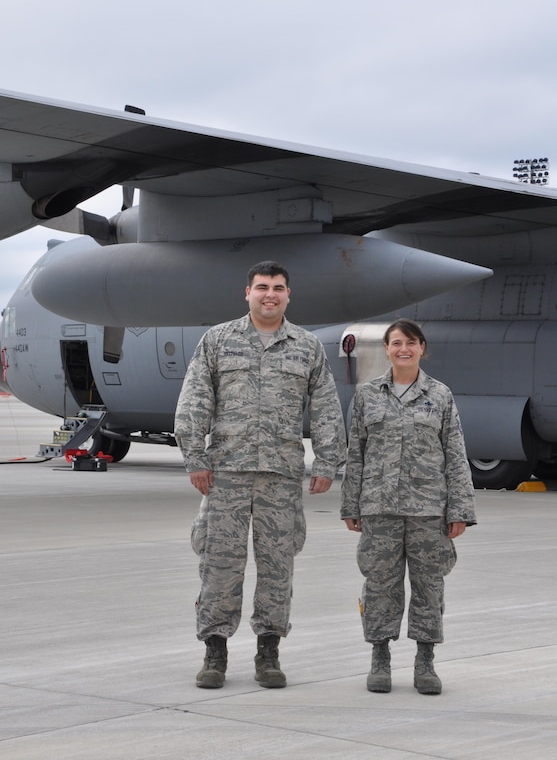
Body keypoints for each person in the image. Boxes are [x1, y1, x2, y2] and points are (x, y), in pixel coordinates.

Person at [175, 260, 346, 690]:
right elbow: (195, 399)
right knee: (219, 565)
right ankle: (215, 651)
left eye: (278, 288)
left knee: (277, 567)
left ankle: (268, 652)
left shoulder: (307, 346)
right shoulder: (218, 340)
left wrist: (327, 462)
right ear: (247, 292)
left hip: (280, 475)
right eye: (263, 287)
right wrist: (195, 457)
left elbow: (326, 407)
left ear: (288, 295)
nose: (270, 294)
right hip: (226, 473)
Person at [340, 318, 476, 695]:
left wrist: (460, 510)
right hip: (379, 508)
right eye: (397, 343)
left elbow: (455, 454)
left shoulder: (440, 395)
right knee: (379, 585)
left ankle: (425, 661)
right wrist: (351, 505)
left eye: (411, 343)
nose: (404, 349)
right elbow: (356, 454)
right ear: (386, 349)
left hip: (429, 511)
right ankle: (380, 658)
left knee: (429, 586)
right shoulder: (367, 395)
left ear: (422, 348)